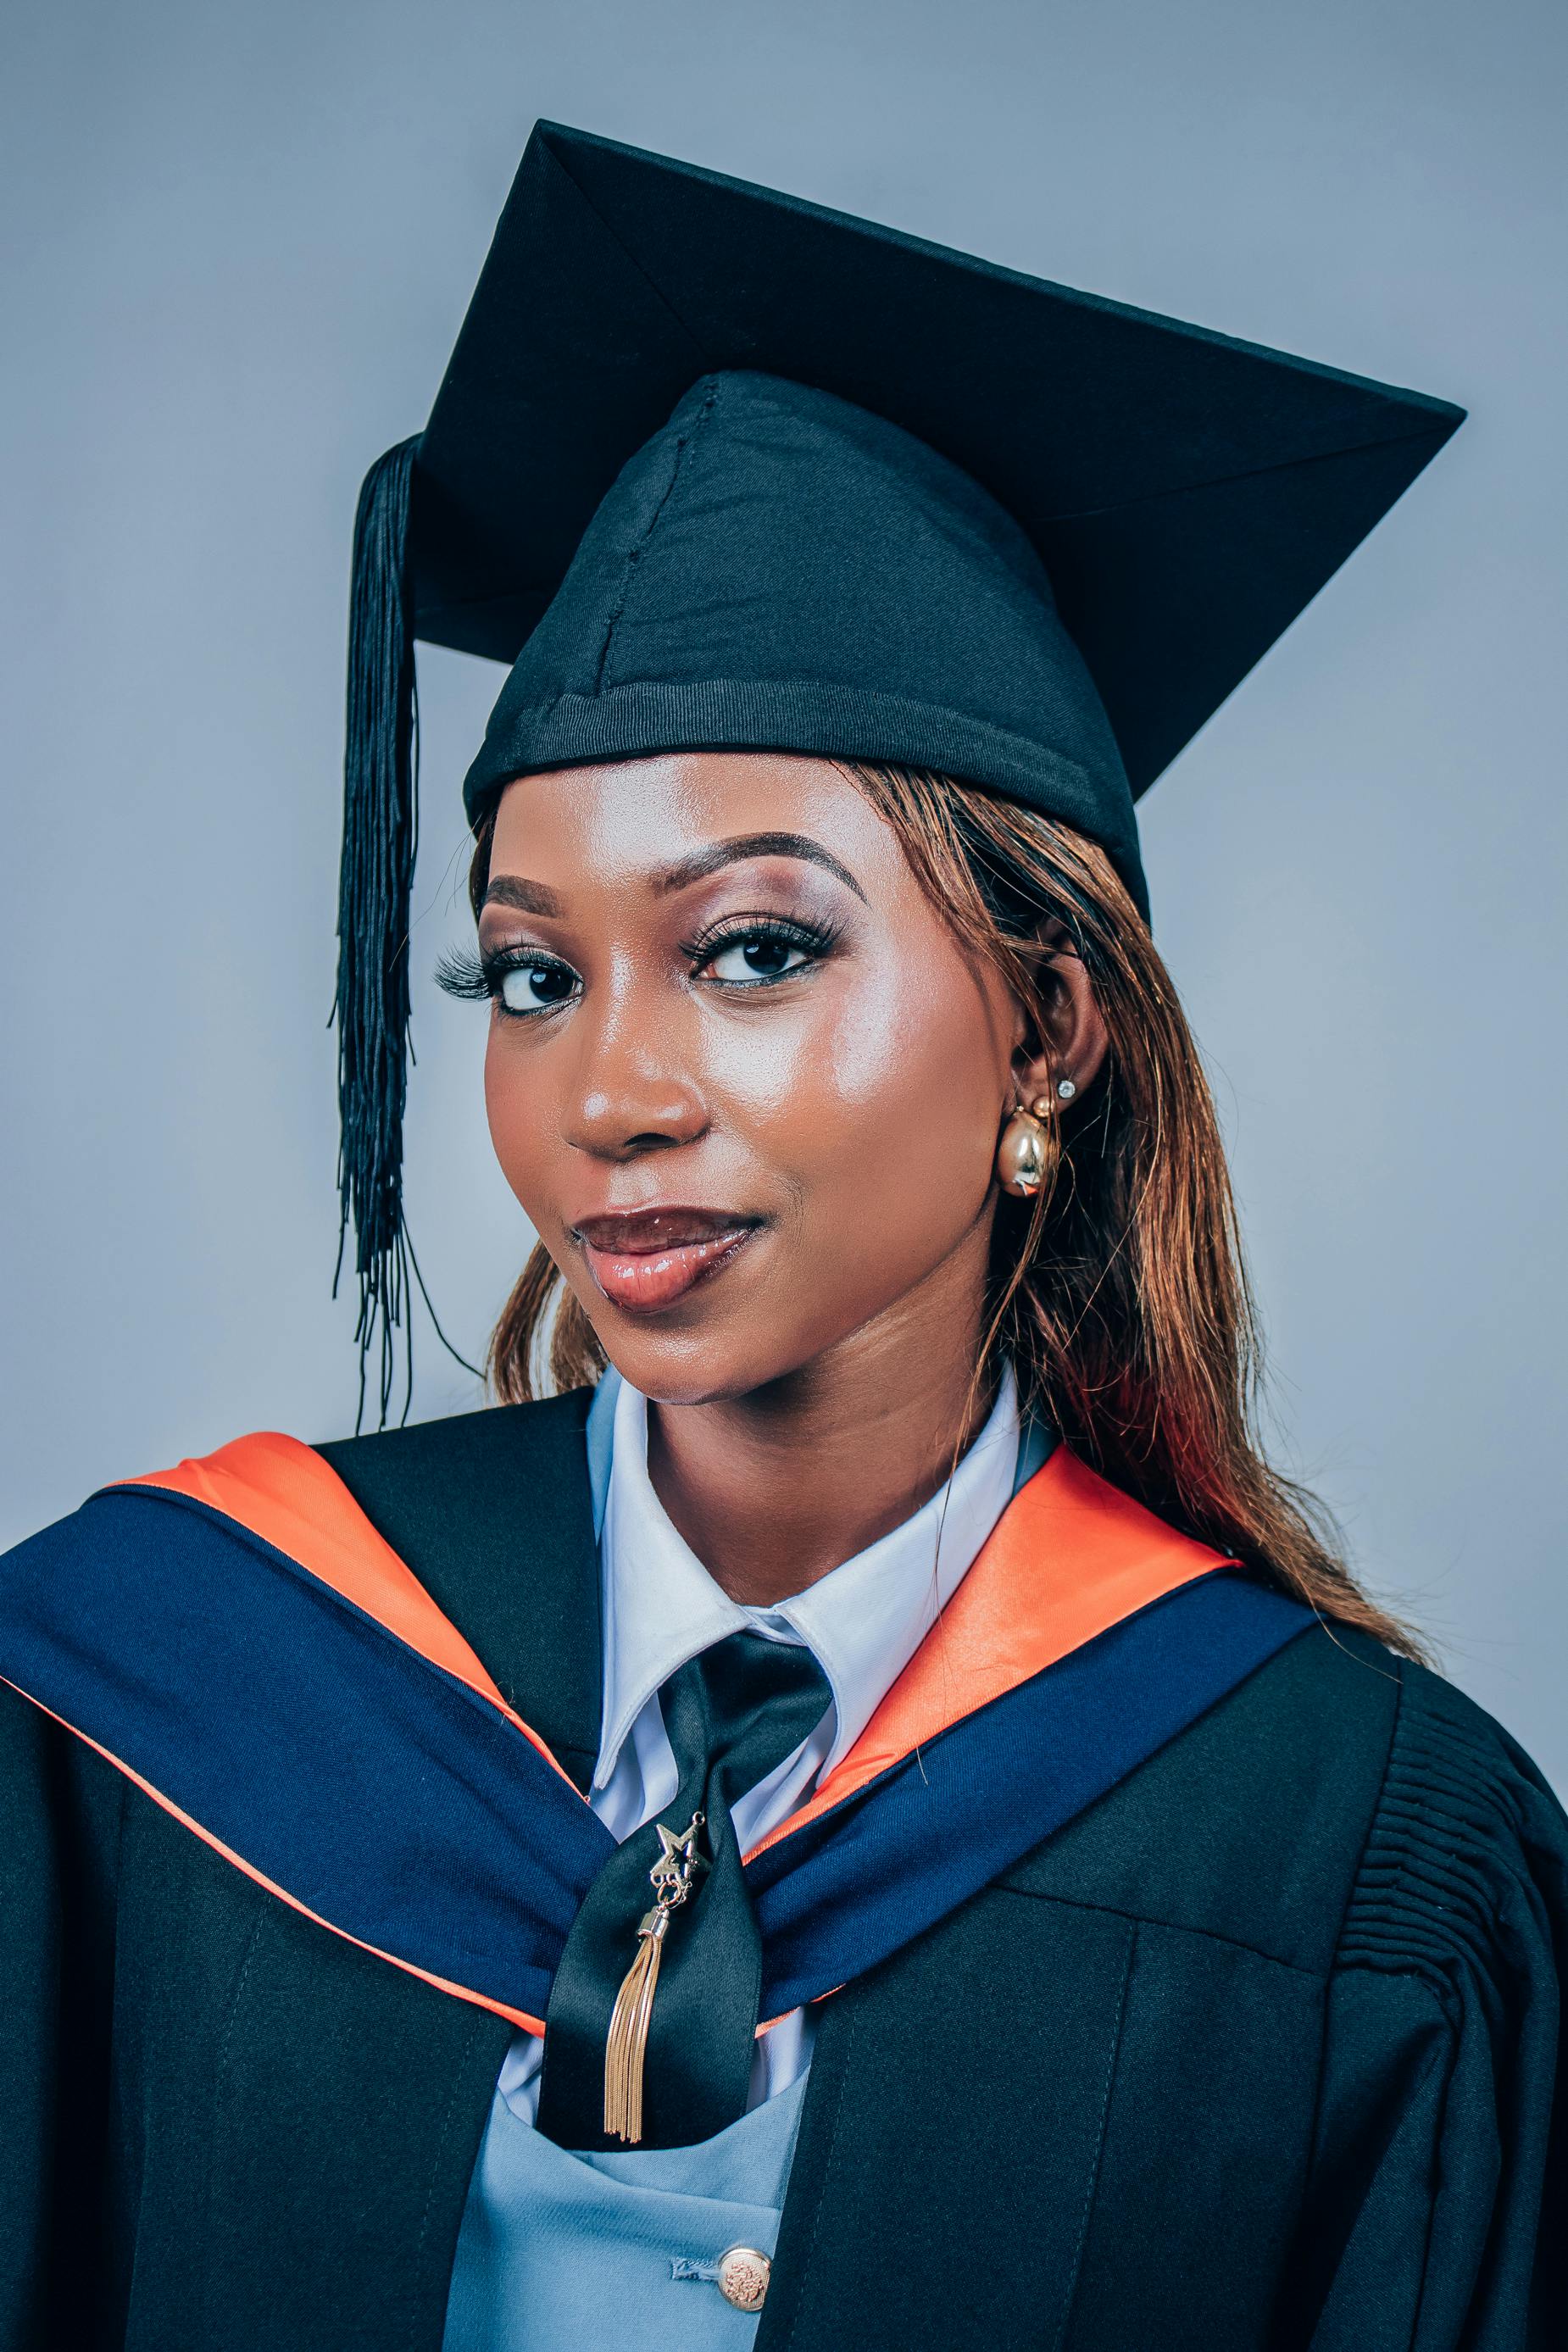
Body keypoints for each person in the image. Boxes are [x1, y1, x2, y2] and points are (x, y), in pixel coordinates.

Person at [1, 122, 1562, 2352]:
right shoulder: (153, 1696)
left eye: (747, 949)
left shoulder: (1346, 1848)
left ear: (1046, 1025)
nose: (610, 1089)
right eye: (529, 975)